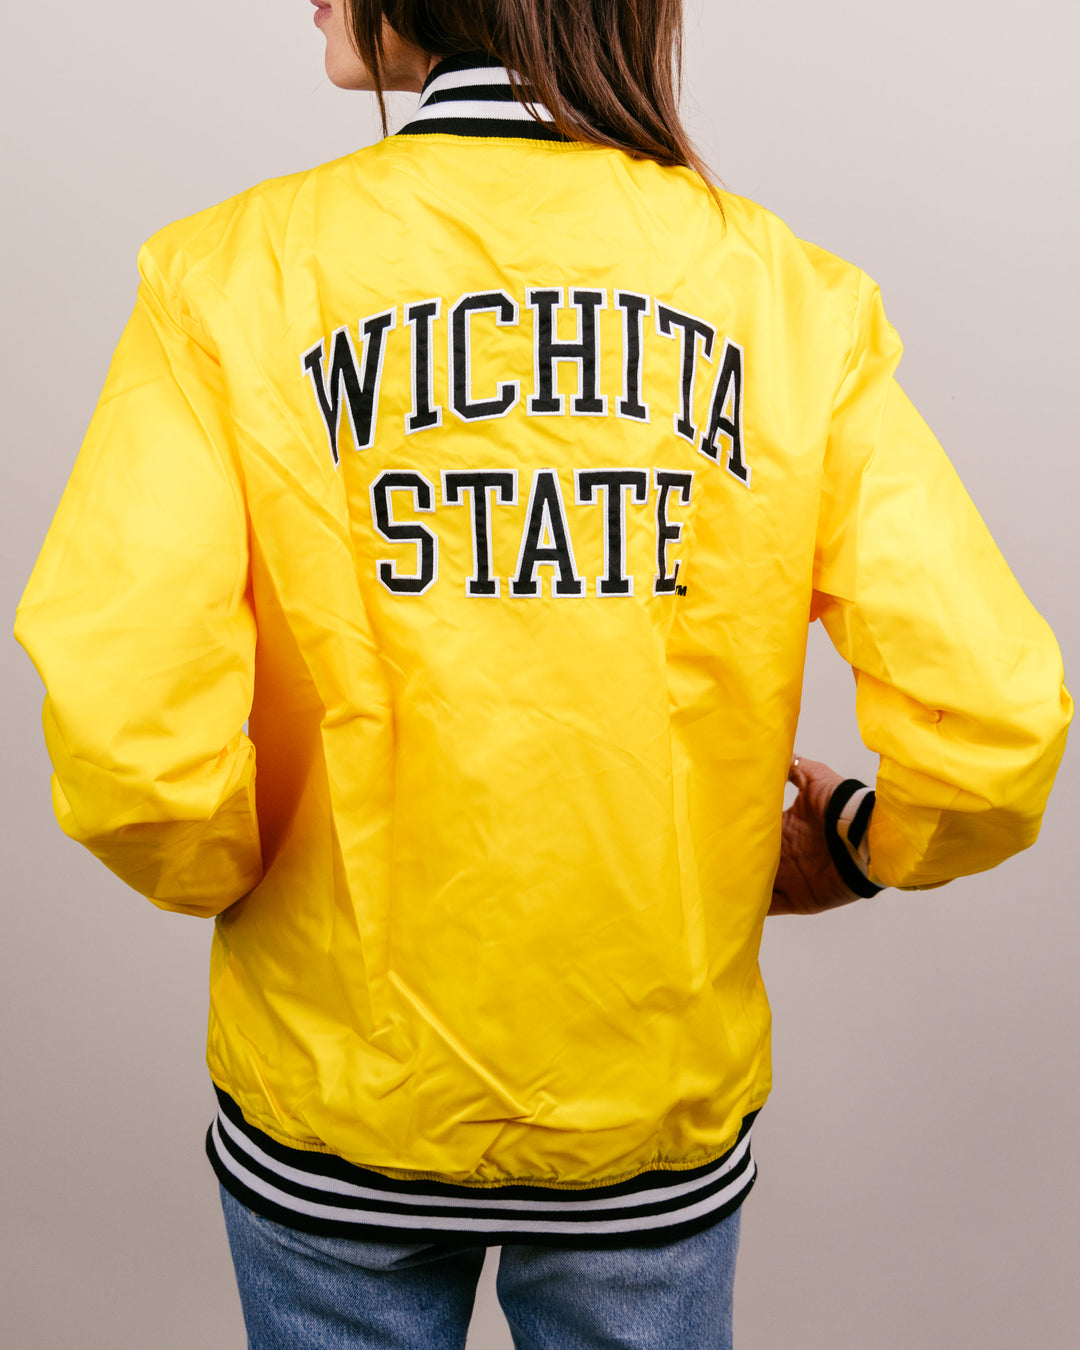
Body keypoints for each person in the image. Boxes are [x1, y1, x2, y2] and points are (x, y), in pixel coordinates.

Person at [13, 1, 1071, 1346]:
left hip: (334, 1094)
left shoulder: (226, 277)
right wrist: (862, 845)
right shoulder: (790, 299)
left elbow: (127, 731)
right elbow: (992, 720)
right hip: (645, 1109)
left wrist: (234, 874)